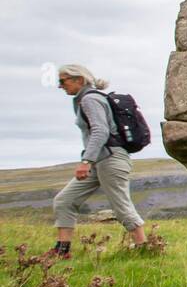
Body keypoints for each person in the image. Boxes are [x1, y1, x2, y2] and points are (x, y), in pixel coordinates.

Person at [47, 64, 146, 257]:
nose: (60, 86)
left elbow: (101, 131)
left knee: (121, 206)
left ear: (79, 80)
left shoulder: (90, 99)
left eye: (63, 81)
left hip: (110, 159)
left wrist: (86, 161)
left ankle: (145, 249)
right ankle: (61, 251)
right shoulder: (85, 99)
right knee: (64, 200)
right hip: (100, 161)